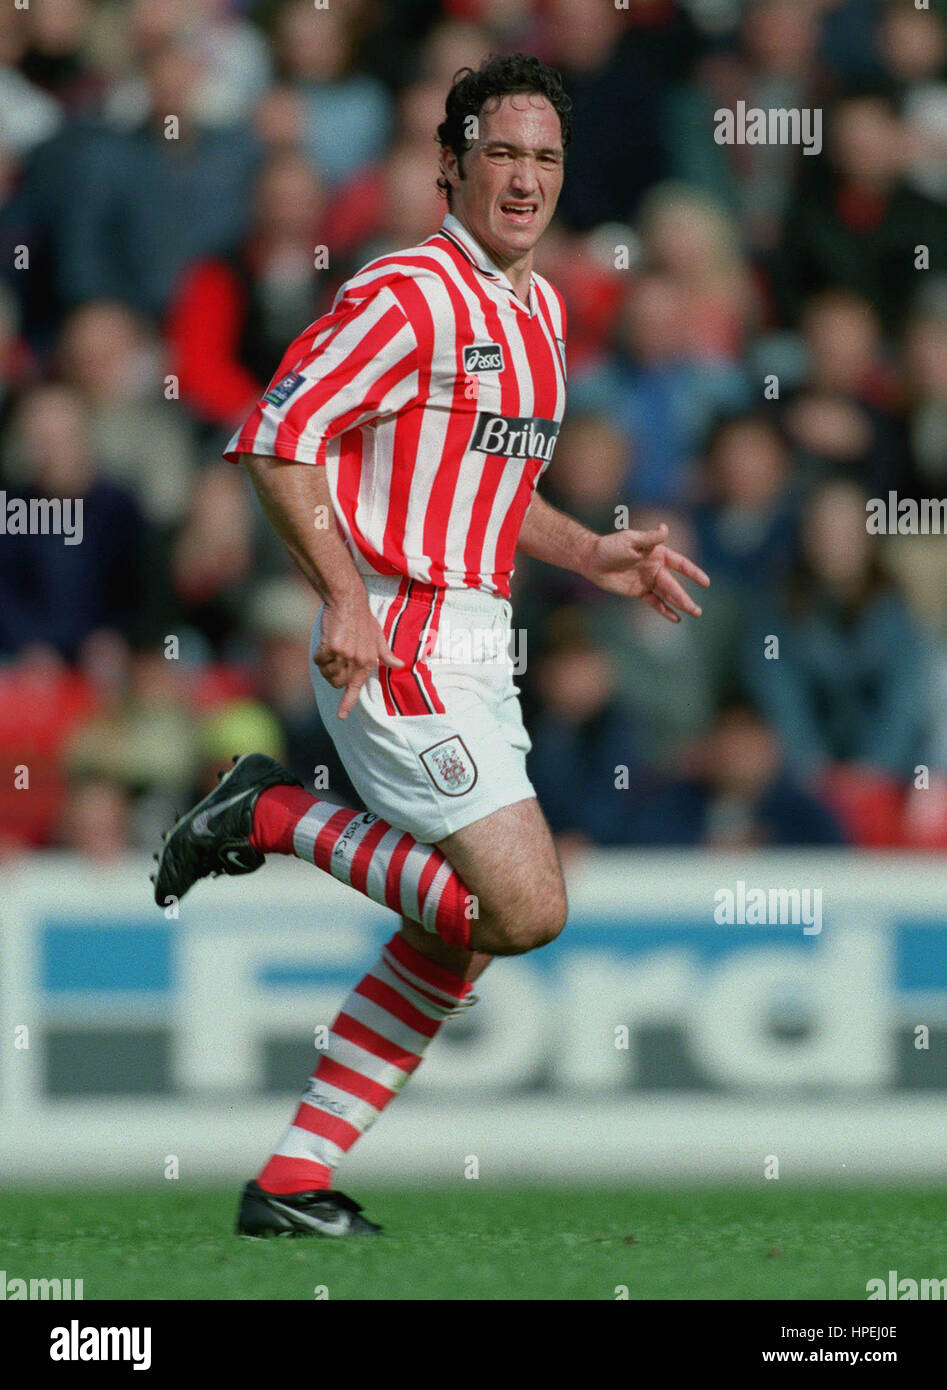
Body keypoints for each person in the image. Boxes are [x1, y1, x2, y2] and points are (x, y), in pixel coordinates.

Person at [152, 53, 708, 1238]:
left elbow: (486, 484)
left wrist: (584, 550)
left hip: (477, 640)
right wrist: (344, 596)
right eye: (500, 154)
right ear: (448, 166)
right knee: (522, 907)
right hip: (397, 635)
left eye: (544, 158)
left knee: (456, 936)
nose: (523, 179)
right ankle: (266, 813)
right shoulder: (406, 292)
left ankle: (292, 1183)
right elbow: (276, 436)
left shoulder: (539, 305)